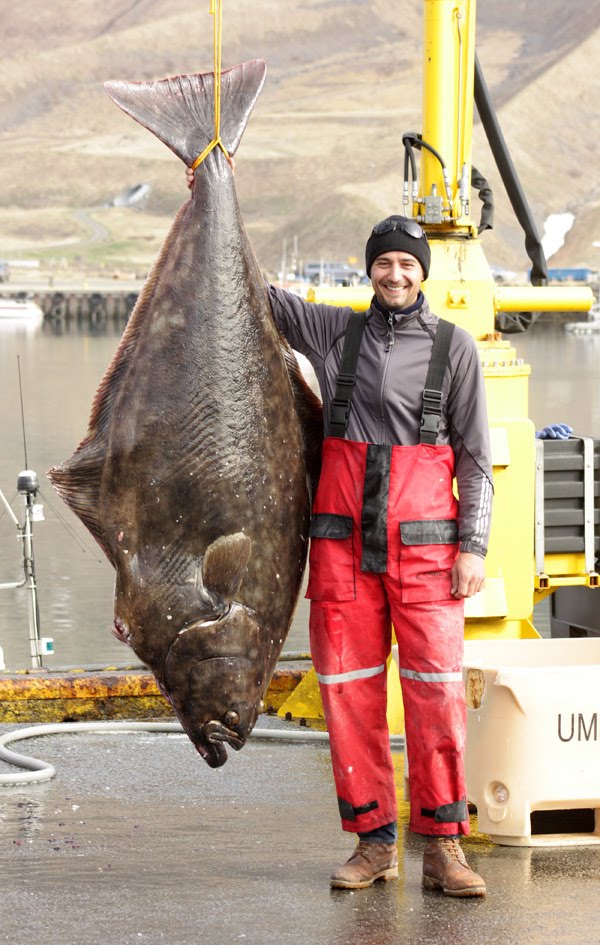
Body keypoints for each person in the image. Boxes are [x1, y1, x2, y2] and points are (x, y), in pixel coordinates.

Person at [189, 172, 493, 897]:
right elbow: (256, 295)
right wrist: (212, 200)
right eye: (384, 261)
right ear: (371, 269)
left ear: (423, 273)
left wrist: (474, 547)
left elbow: (477, 459)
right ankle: (372, 842)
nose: (395, 273)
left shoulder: (456, 350)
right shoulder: (332, 329)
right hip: (340, 550)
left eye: (407, 263)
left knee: (436, 695)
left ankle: (445, 847)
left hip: (427, 553)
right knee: (348, 695)